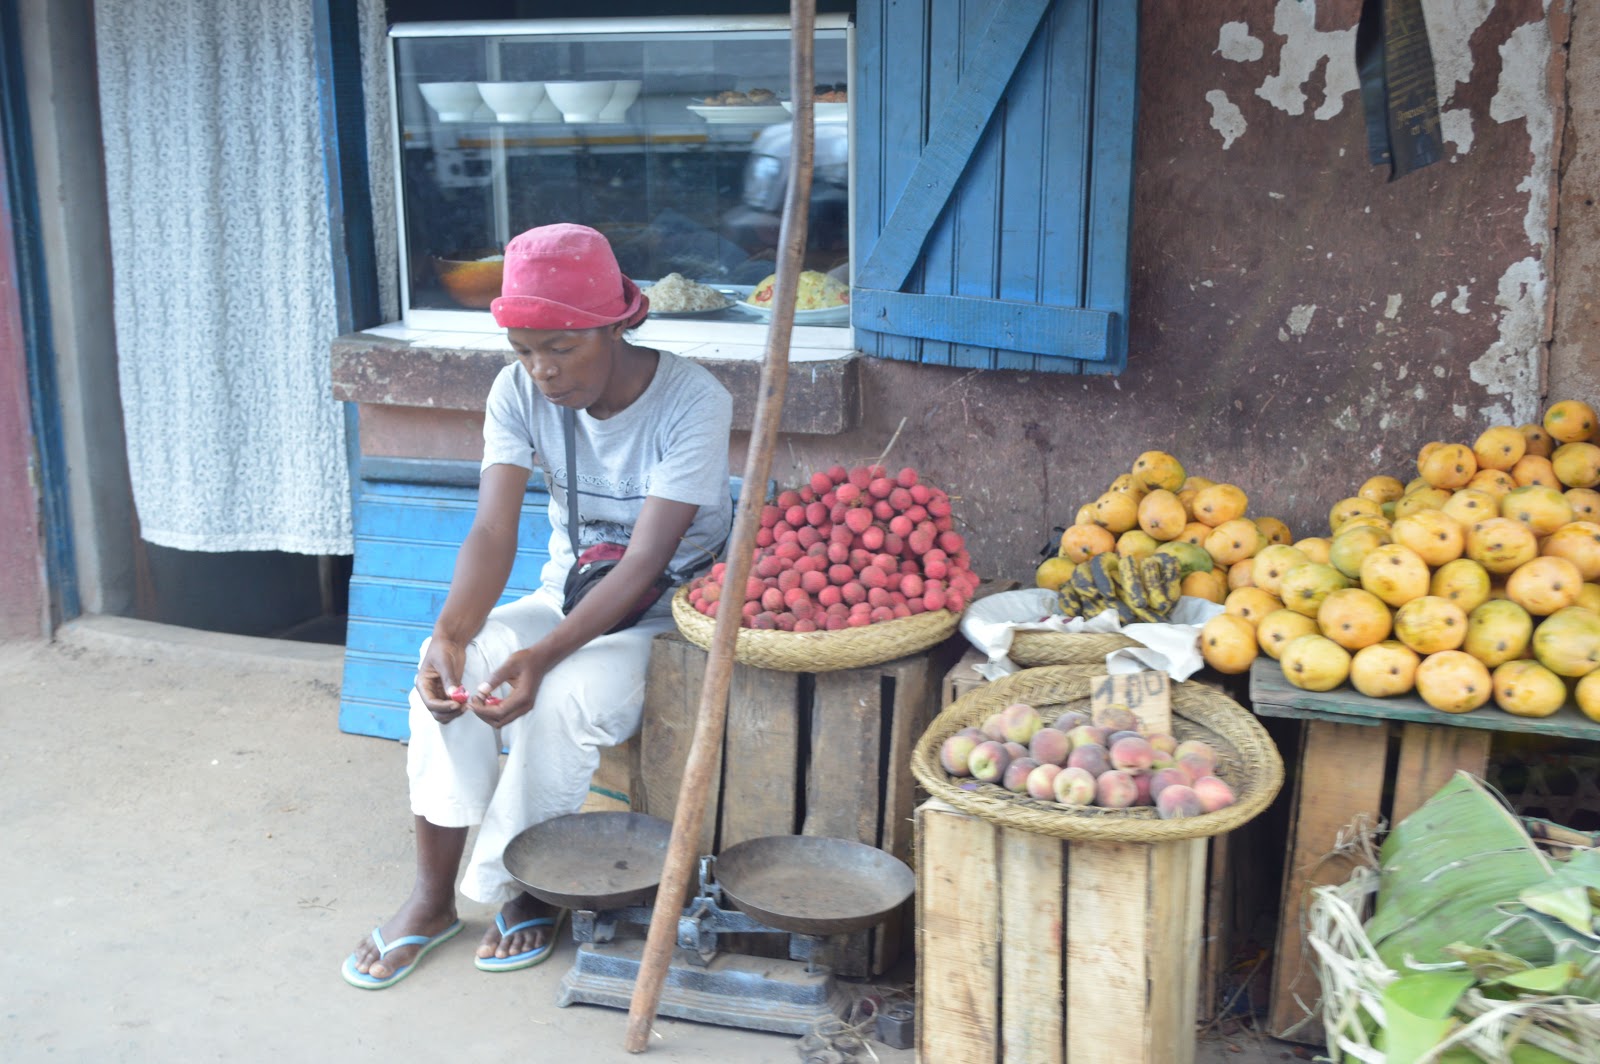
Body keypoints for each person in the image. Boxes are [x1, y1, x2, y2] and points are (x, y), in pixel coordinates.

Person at [343, 223, 733, 989]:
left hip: (666, 616)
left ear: (617, 325)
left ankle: (529, 884)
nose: (542, 371)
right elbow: (493, 527)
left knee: (563, 698)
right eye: (524, 350)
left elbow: (648, 561)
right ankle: (430, 900)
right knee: (445, 674)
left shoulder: (693, 400)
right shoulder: (516, 391)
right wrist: (453, 635)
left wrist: (542, 656)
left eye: (562, 348)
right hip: (567, 592)